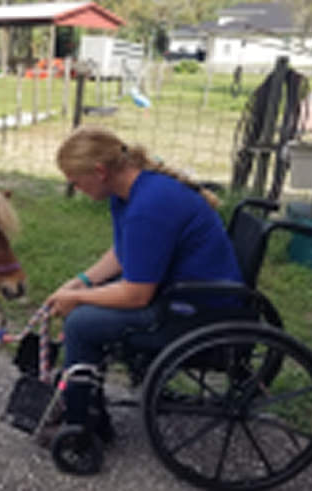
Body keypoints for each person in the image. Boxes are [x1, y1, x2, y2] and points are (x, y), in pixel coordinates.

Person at [45, 126, 244, 440]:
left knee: (81, 324)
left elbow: (136, 295)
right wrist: (80, 282)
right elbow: (123, 254)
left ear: (99, 172)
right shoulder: (128, 194)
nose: (73, 186)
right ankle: (84, 399)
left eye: (75, 179)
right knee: (85, 311)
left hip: (197, 311)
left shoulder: (148, 207)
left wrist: (80, 300)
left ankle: (80, 422)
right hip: (182, 294)